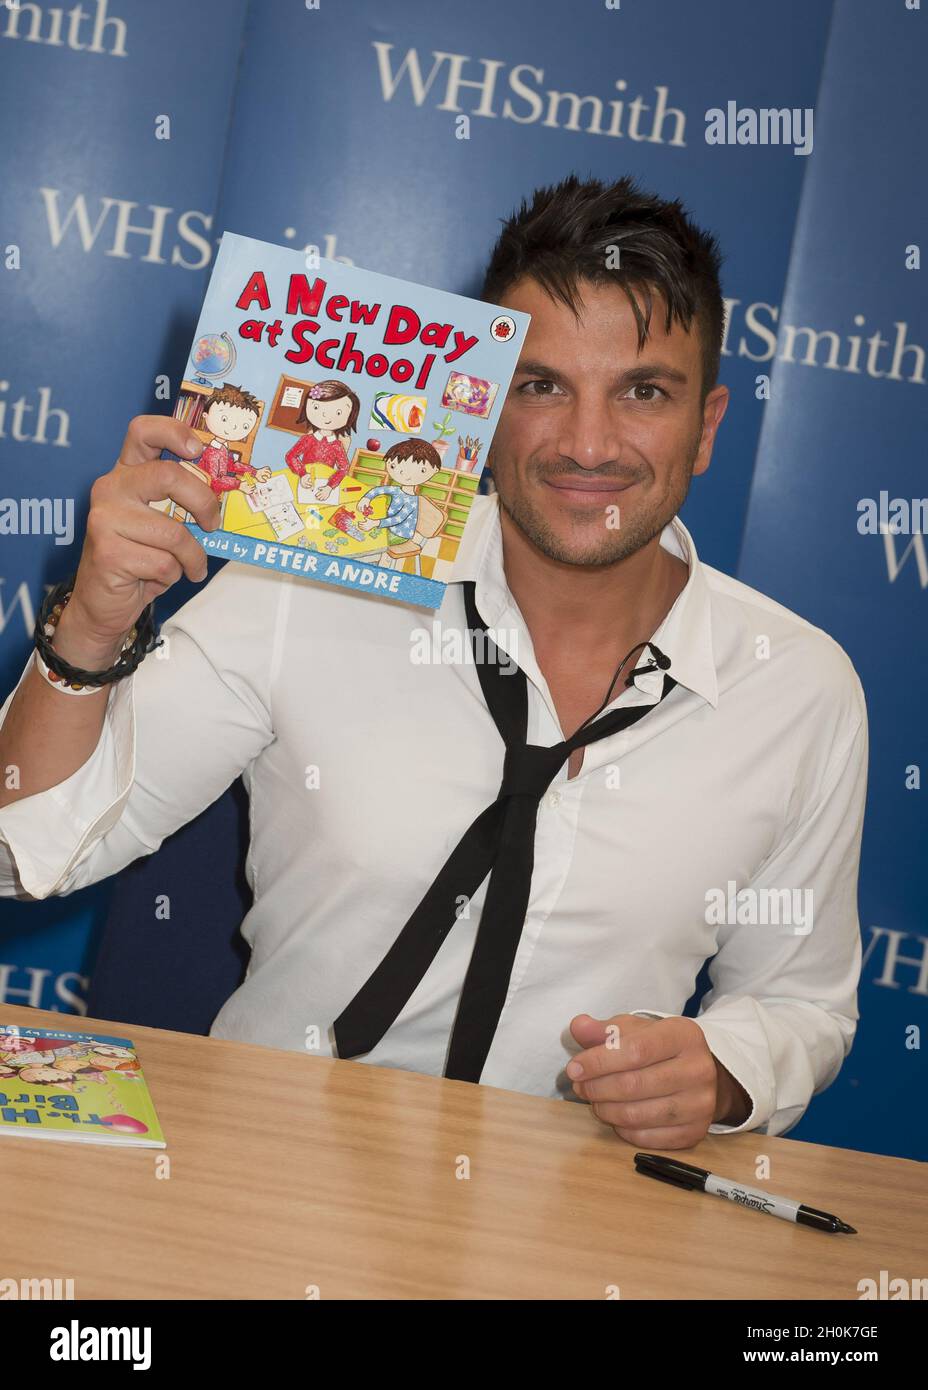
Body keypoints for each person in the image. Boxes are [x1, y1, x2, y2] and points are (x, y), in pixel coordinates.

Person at [0, 174, 868, 1150]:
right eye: (542, 386)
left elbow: (800, 1000)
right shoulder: (317, 586)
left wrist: (725, 1069)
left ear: (705, 427)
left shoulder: (798, 687)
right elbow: (30, 847)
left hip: (572, 1225)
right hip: (266, 1185)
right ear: (482, 408)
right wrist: (90, 625)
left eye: (642, 392)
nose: (588, 443)